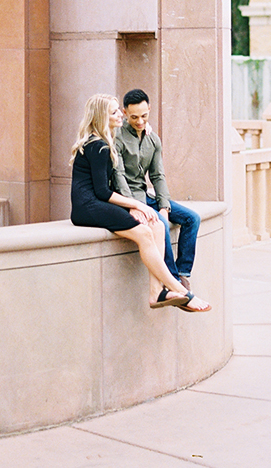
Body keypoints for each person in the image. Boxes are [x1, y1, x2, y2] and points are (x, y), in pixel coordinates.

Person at [70, 93, 211, 313]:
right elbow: (103, 191)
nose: (121, 115)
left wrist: (154, 206)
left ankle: (156, 293)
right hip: (88, 207)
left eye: (119, 110)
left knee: (155, 225)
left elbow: (157, 175)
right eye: (115, 112)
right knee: (145, 232)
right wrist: (138, 205)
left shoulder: (107, 141)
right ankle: (179, 289)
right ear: (101, 116)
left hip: (97, 203)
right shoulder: (100, 147)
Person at [114, 89, 201, 293]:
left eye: (144, 116)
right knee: (160, 223)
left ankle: (182, 274)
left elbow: (157, 176)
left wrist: (164, 206)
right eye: (134, 117)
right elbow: (118, 177)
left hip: (147, 195)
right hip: (130, 198)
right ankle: (171, 280)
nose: (140, 121)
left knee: (192, 219)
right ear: (125, 113)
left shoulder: (153, 140)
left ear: (149, 109)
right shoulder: (117, 138)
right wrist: (133, 205)